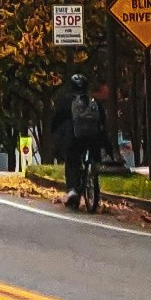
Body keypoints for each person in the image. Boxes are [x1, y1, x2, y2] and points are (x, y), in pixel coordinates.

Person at [65, 75, 110, 210]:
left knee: (71, 160)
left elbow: (59, 120)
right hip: (94, 138)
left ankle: (72, 188)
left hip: (77, 138)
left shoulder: (69, 101)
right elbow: (103, 119)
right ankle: (93, 169)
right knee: (94, 156)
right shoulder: (94, 102)